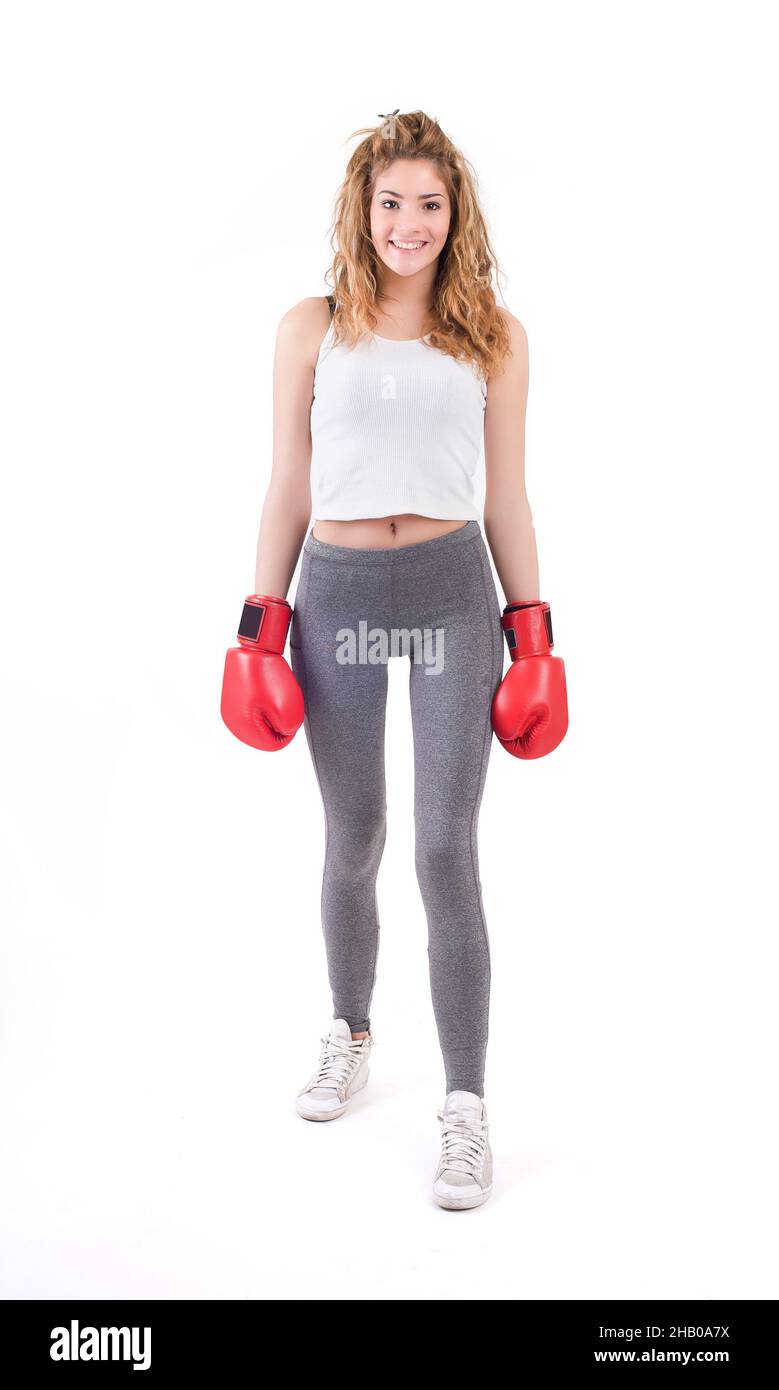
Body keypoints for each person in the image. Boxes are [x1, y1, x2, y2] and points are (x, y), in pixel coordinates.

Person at [221, 110, 568, 1211]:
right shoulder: (309, 328)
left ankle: (463, 1107)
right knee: (354, 834)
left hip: (449, 593)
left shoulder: (492, 338)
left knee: (441, 848)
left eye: (428, 203)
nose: (407, 222)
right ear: (359, 210)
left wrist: (534, 635)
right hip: (338, 595)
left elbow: (505, 496)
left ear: (452, 214)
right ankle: (350, 1029)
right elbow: (286, 483)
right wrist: (256, 623)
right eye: (390, 202)